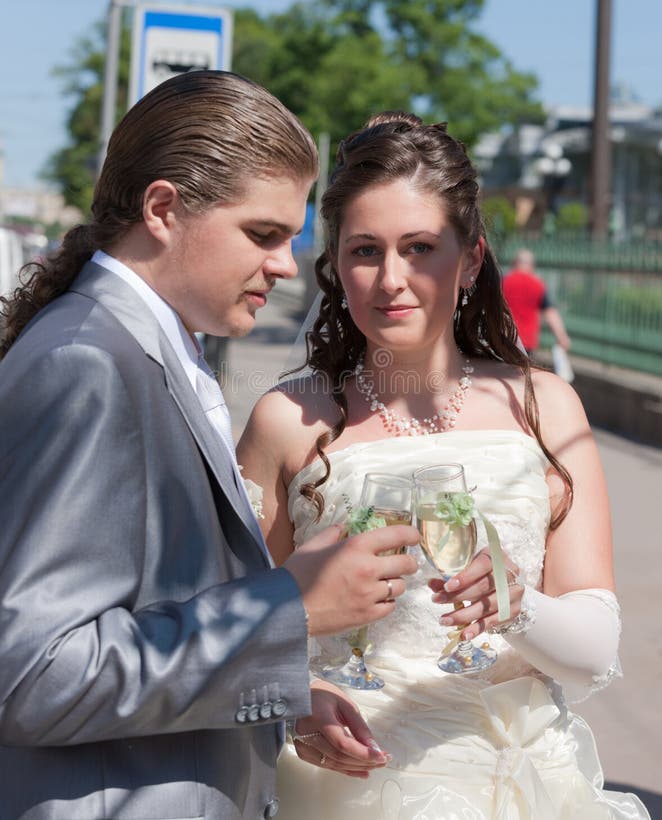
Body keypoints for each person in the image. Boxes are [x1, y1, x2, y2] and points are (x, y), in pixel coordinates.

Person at [0, 73, 419, 820]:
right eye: (262, 234)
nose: (290, 264)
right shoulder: (87, 362)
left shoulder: (154, 348)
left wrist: (284, 692)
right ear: (163, 209)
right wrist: (288, 610)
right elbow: (34, 676)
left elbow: (153, 609)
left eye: (292, 238)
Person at [237, 112, 649, 818]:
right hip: (346, 791)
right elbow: (237, 624)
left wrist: (519, 604)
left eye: (419, 247)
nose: (390, 279)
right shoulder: (288, 420)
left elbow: (595, 649)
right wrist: (298, 703)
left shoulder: (545, 407)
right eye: (365, 250)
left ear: (468, 260)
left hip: (525, 790)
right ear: (336, 264)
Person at [502, 248, 571, 356]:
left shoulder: (504, 281)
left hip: (505, 338)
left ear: (514, 263)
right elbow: (551, 313)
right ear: (532, 266)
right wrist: (562, 337)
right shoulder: (538, 285)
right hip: (527, 342)